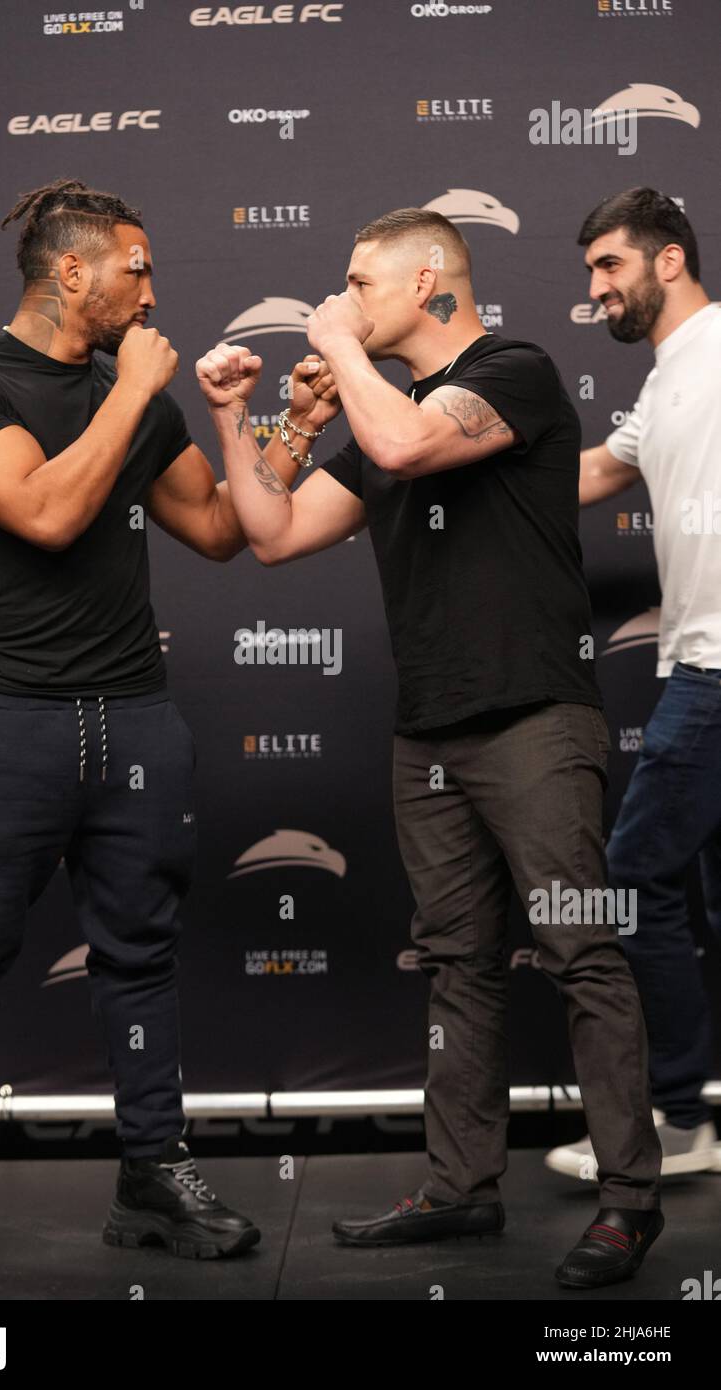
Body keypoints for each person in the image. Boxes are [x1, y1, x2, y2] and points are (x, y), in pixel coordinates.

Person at [196, 206, 663, 1289]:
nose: (340, 301)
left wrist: (339, 348)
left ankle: (628, 1202)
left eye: (360, 283)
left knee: (581, 951)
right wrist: (233, 417)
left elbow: (409, 444)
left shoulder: (512, 372)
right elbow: (270, 536)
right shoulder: (380, 409)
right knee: (456, 965)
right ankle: (461, 1186)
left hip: (536, 720)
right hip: (430, 736)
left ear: (425, 284)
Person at [0, 177, 336, 1279]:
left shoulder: (134, 397)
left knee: (138, 959)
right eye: (134, 269)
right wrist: (134, 391)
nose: (151, 291)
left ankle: (152, 1174)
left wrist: (287, 424)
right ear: (69, 272)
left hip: (135, 721)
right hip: (10, 722)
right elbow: (46, 513)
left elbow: (222, 528)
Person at [546, 188, 721, 1183]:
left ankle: (679, 1115)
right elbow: (590, 475)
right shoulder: (664, 382)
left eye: (608, 265)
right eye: (589, 272)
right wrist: (435, 466)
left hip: (715, 670)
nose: (595, 289)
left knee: (632, 878)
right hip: (695, 664)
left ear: (668, 260)